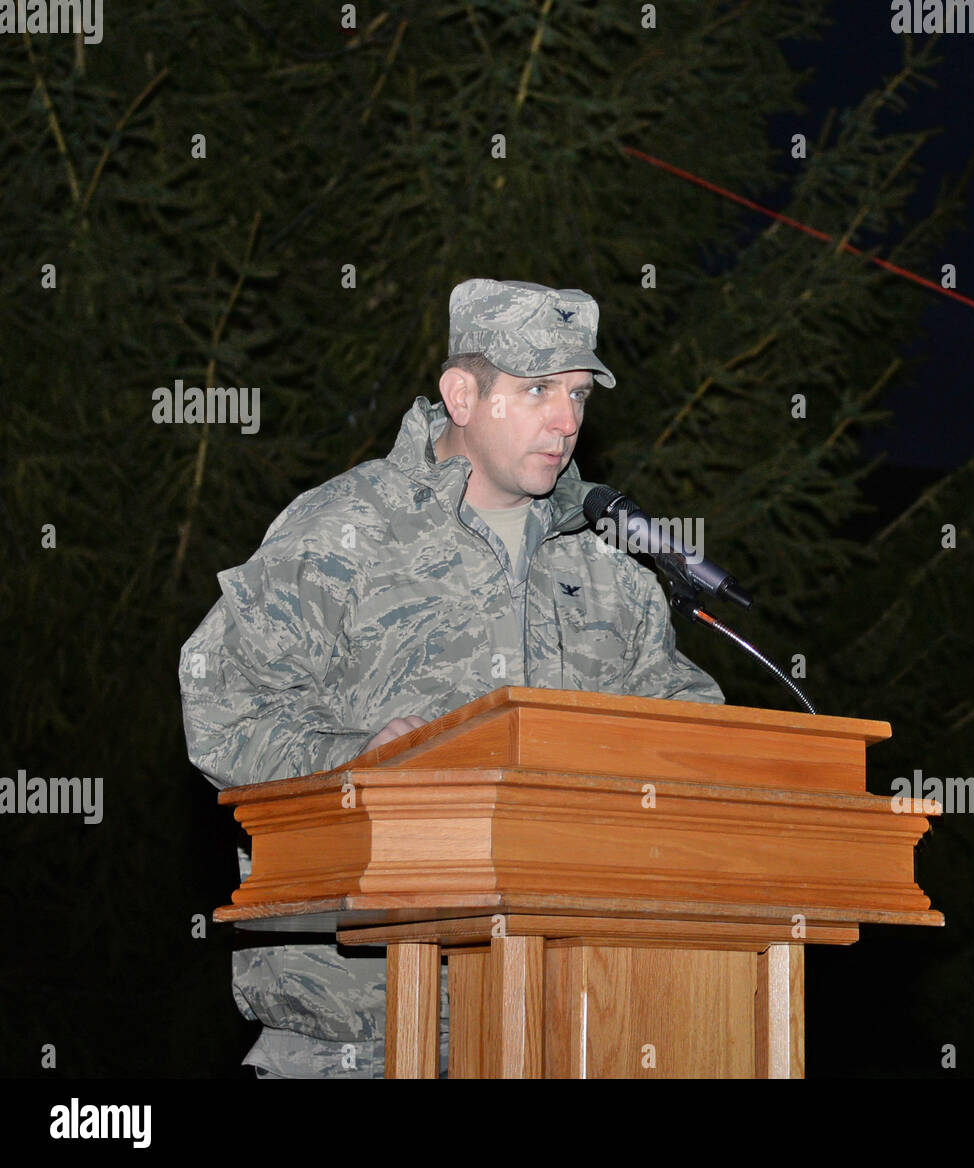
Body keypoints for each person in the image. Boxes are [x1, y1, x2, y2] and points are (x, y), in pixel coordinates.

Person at [179, 277, 726, 1078]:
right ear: (461, 393)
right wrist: (354, 759)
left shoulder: (606, 568)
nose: (567, 421)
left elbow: (685, 729)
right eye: (537, 388)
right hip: (362, 1029)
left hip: (564, 1025)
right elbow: (220, 710)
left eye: (577, 393)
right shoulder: (343, 531)